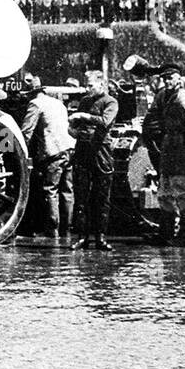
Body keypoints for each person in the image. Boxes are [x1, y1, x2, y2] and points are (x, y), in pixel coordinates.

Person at [143, 63, 185, 246]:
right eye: (164, 78)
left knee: (183, 193)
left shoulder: (183, 99)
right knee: (165, 193)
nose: (167, 81)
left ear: (178, 78)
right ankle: (165, 234)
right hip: (169, 150)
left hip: (183, 150)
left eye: (170, 77)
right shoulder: (165, 96)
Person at [18, 73, 76, 241]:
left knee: (51, 190)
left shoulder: (35, 104)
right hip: (69, 149)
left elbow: (26, 132)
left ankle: (53, 231)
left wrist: (16, 152)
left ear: (31, 94)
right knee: (67, 190)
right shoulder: (58, 103)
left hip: (52, 152)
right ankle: (67, 230)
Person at [69, 69, 119, 251]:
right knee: (81, 195)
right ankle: (82, 237)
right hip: (82, 149)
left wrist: (83, 116)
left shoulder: (110, 102)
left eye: (90, 85)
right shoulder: (85, 101)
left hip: (101, 151)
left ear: (101, 84)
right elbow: (75, 125)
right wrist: (72, 128)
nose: (87, 88)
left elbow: (105, 122)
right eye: (86, 85)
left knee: (101, 195)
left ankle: (101, 237)